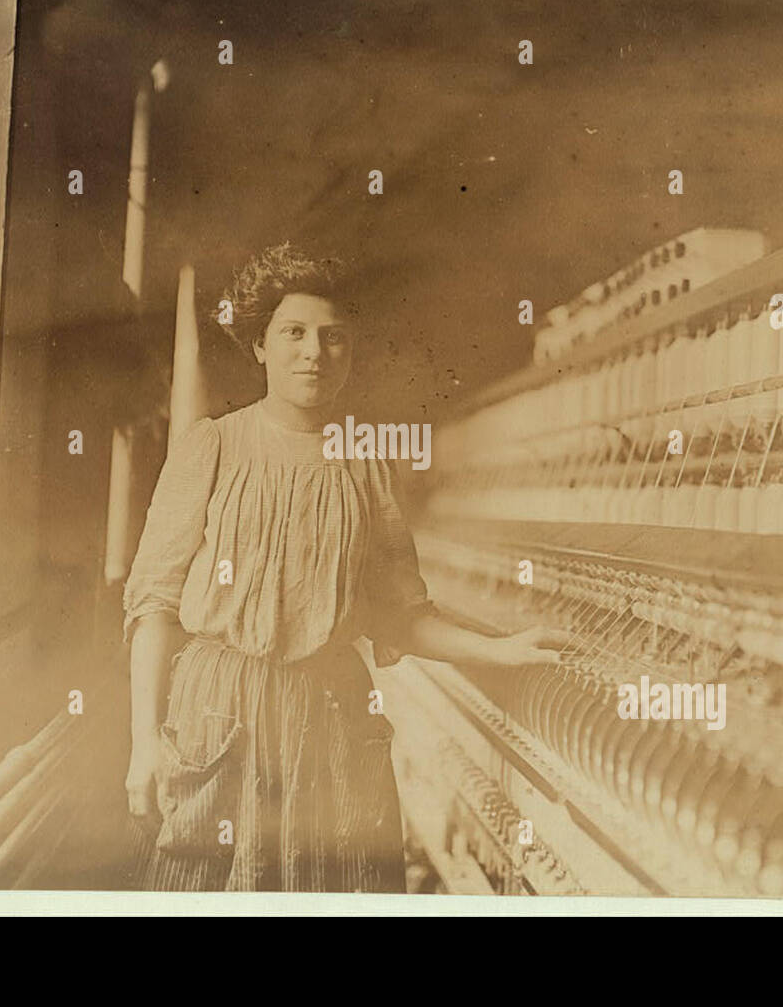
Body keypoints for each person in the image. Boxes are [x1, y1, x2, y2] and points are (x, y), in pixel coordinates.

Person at [123, 242, 564, 892]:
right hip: (217, 716)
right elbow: (154, 606)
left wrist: (504, 650)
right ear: (260, 346)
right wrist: (142, 746)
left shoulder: (365, 464)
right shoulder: (211, 447)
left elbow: (404, 615)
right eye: (294, 333)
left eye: (335, 338)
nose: (314, 352)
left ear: (351, 352)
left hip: (331, 720)